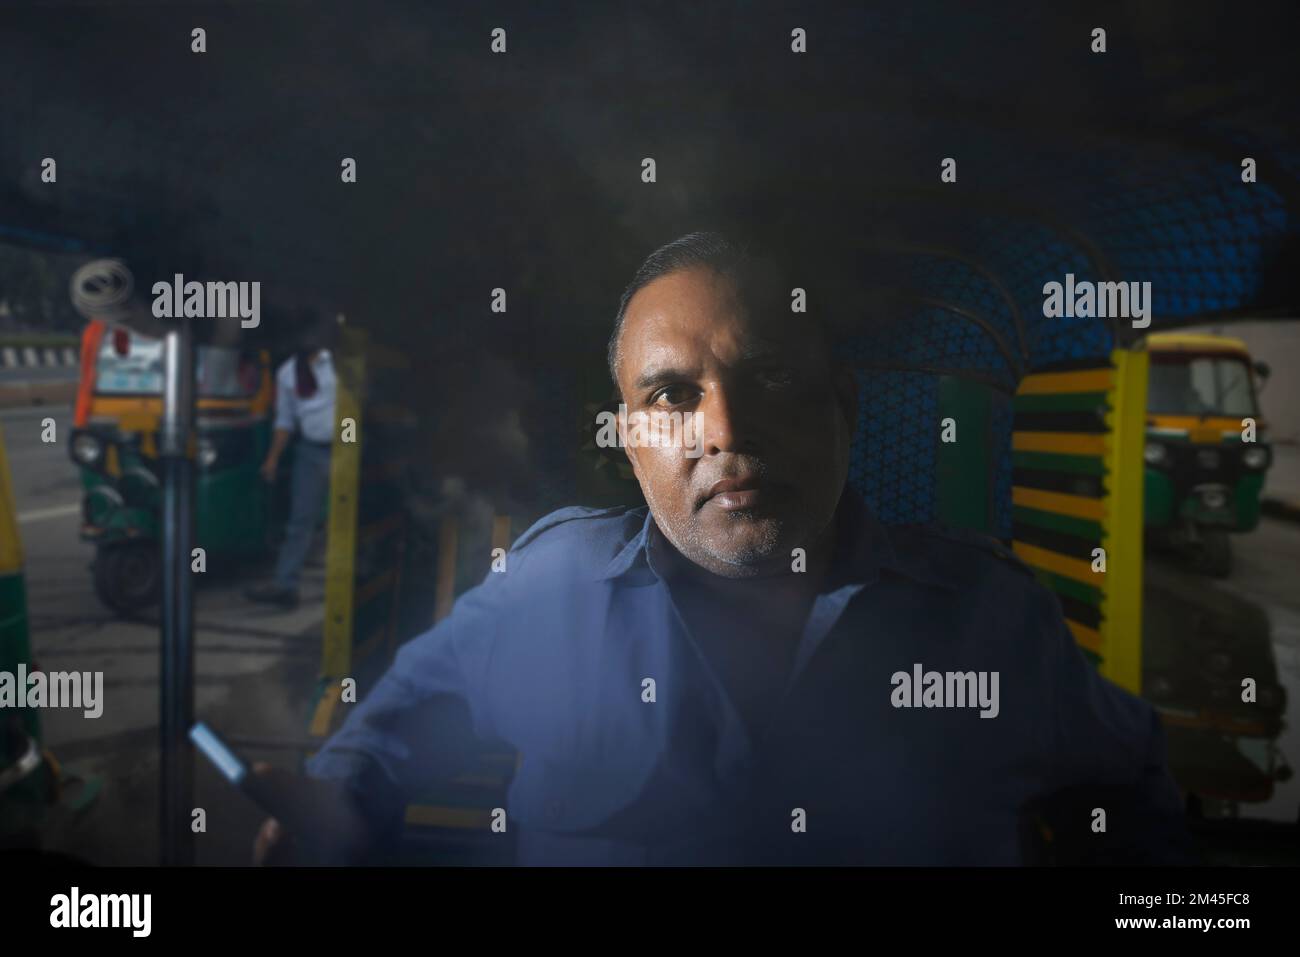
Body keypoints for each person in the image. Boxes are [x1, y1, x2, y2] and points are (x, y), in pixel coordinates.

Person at [252, 231, 1192, 865]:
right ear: (626, 439)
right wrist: (333, 809)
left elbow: (1135, 790)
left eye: (771, 375)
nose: (725, 428)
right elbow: (384, 739)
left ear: (845, 410)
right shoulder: (547, 589)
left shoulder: (995, 622)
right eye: (671, 396)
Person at [244, 318, 337, 610]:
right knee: (301, 521)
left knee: (350, 518)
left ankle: (353, 583)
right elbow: (285, 421)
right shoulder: (287, 374)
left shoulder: (338, 363)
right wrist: (272, 459)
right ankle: (286, 587)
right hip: (310, 451)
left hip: (346, 448)